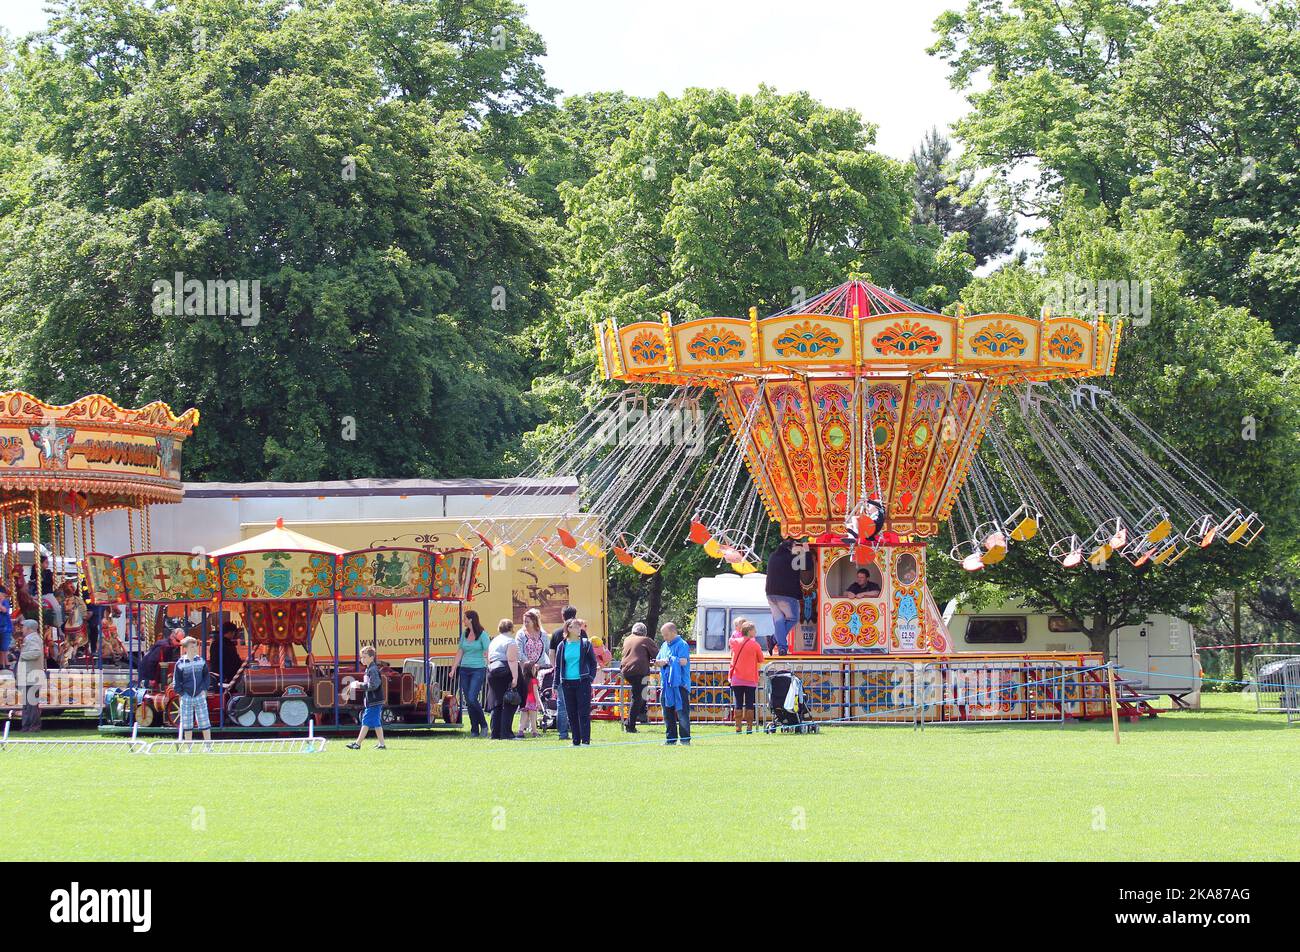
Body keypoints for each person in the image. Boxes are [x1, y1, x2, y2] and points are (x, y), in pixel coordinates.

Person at [553, 618, 596, 746]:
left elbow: (593, 663)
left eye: (579, 627)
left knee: (583, 712)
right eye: (575, 627)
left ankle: (586, 741)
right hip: (567, 683)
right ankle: (575, 741)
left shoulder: (585, 644)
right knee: (571, 713)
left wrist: (590, 678)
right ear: (568, 629)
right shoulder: (562, 645)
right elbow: (558, 666)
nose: (578, 629)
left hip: (582, 682)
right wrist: (555, 684)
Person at [450, 609, 490, 737]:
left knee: (472, 697)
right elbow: (460, 651)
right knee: (468, 699)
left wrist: (490, 665)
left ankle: (483, 724)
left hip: (478, 669)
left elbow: (488, 651)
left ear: (471, 619)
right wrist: (453, 668)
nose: (463, 620)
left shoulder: (483, 634)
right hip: (464, 669)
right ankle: (474, 729)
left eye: (465, 618)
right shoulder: (465, 634)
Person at [655, 622, 692, 745]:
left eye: (666, 635)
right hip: (665, 685)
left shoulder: (682, 644)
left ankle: (685, 740)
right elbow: (657, 661)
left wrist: (671, 660)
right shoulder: (664, 645)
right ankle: (670, 739)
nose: (664, 638)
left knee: (682, 713)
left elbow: (683, 661)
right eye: (663, 635)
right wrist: (664, 661)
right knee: (667, 713)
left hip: (680, 685)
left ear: (673, 632)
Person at [485, 619, 522, 740]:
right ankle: (506, 733)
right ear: (511, 628)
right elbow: (512, 660)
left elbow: (488, 658)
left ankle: (495, 733)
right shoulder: (510, 641)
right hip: (505, 671)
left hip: (492, 671)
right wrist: (515, 677)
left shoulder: (494, 641)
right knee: (510, 703)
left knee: (496, 703)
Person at [172, 636, 212, 745]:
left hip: (199, 695)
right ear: (185, 648)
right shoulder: (180, 663)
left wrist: (204, 689)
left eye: (195, 646)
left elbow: (206, 676)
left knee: (205, 722)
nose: (194, 649)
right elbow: (176, 680)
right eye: (192, 647)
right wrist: (181, 693)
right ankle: (188, 746)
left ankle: (208, 746)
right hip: (186, 696)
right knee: (187, 724)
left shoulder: (201, 661)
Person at [765, 538, 802, 656]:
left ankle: (782, 647)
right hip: (786, 594)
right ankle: (775, 640)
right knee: (793, 618)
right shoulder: (792, 558)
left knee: (779, 620)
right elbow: (807, 566)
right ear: (791, 548)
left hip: (770, 593)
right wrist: (805, 551)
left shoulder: (772, 557)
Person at [618, 622, 657, 733]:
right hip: (639, 671)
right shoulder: (646, 640)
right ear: (644, 632)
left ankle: (641, 713)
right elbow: (657, 655)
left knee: (641, 693)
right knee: (638, 697)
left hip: (626, 670)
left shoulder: (627, 639)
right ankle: (630, 724)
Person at [515, 609, 548, 737]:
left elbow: (545, 649)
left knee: (534, 694)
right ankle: (525, 726)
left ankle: (531, 726)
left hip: (537, 668)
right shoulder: (521, 634)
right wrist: (528, 663)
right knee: (526, 696)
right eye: (524, 621)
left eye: (528, 621)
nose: (526, 623)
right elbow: (519, 651)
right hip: (524, 668)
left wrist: (540, 664)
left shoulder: (542, 634)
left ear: (535, 621)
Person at [346, 645, 386, 749]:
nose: (362, 659)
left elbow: (374, 685)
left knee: (366, 721)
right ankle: (381, 744)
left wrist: (359, 685)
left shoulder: (372, 669)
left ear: (371, 657)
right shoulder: (369, 669)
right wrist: (360, 684)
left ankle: (357, 744)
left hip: (374, 701)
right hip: (374, 700)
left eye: (364, 657)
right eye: (361, 657)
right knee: (376, 723)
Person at [548, 605, 578, 739]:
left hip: (561, 674)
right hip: (577, 674)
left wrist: (555, 668)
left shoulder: (556, 633)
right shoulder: (579, 633)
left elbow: (551, 654)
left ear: (562, 616)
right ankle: (576, 729)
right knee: (577, 703)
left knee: (562, 704)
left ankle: (563, 733)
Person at [728, 620, 763, 734]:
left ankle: (738, 727)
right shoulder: (755, 645)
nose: (756, 632)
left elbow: (731, 644)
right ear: (749, 631)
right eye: (754, 630)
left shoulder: (735, 642)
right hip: (750, 678)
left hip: (736, 677)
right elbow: (760, 660)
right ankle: (749, 727)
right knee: (749, 703)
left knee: (738, 703)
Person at [17, 619, 44, 732]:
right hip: (27, 675)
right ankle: (26, 726)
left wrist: (22, 654)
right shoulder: (30, 638)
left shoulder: (33, 638)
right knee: (27, 704)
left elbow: (36, 652)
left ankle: (33, 726)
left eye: (23, 627)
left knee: (31, 704)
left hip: (31, 676)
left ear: (28, 628)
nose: (22, 629)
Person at [208, 620, 246, 689]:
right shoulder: (228, 644)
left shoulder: (214, 643)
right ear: (230, 632)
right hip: (226, 676)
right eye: (234, 633)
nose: (234, 635)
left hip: (215, 674)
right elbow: (234, 661)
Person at [59, 581, 89, 665]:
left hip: (76, 617)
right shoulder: (65, 600)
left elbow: (82, 606)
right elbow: (64, 610)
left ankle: (83, 647)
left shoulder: (76, 599)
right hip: (69, 618)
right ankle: (66, 650)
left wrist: (84, 614)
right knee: (63, 627)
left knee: (88, 626)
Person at [0, 584, 12, 671]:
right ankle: (3, 664)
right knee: (2, 648)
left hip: (5, 628)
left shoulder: (5, 602)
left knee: (4, 647)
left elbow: (4, 610)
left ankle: (6, 664)